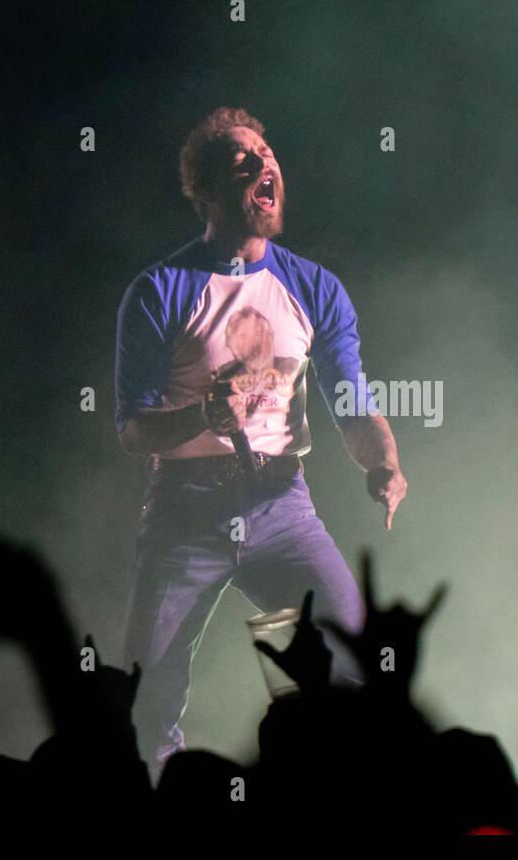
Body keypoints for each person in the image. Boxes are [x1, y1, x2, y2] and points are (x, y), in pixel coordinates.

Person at [113, 107, 407, 762]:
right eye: (243, 161)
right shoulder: (160, 290)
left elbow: (352, 404)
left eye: (268, 155)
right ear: (207, 191)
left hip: (281, 507)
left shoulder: (315, 288)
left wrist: (382, 462)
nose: (265, 165)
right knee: (145, 700)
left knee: (353, 669)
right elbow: (135, 430)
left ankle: (307, 794)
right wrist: (199, 419)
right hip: (186, 511)